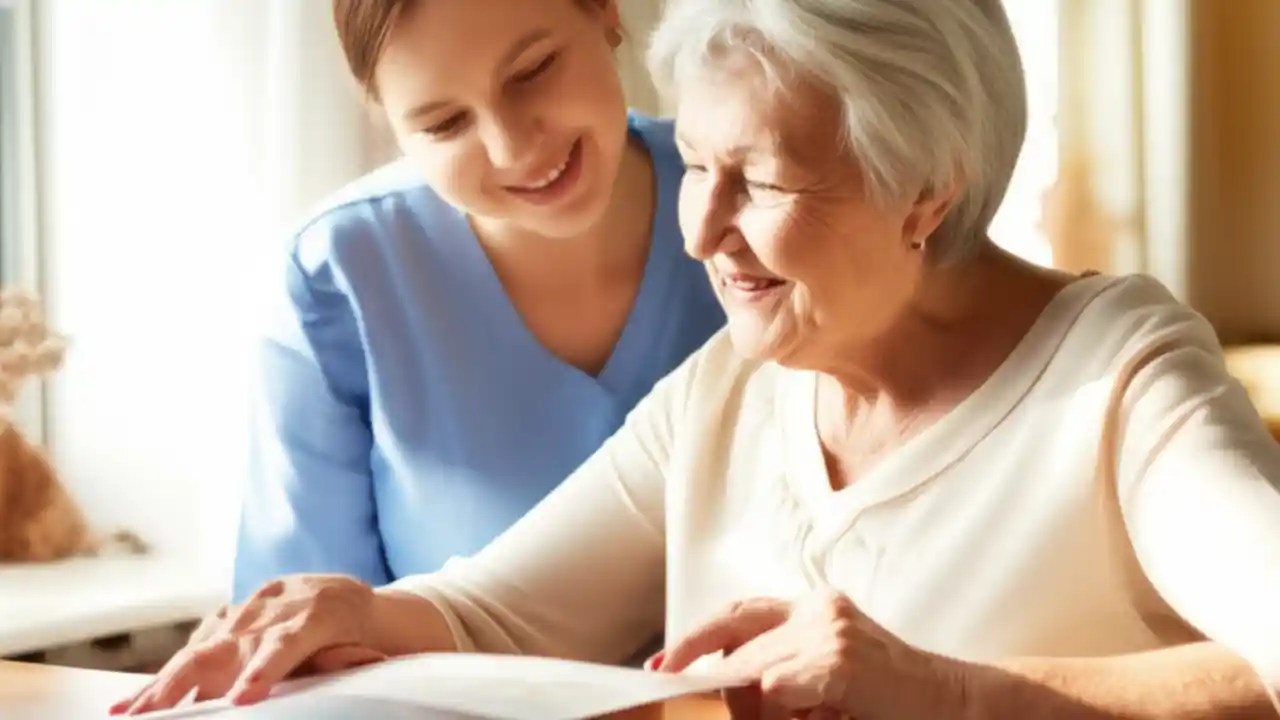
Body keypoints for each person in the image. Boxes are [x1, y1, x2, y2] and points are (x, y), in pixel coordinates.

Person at [119, 0, 1280, 717]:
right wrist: (354, 608)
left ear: (926, 186)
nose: (700, 229)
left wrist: (948, 694)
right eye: (697, 167)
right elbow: (499, 615)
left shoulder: (1119, 379)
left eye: (761, 183)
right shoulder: (732, 385)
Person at [231, 0, 724, 599]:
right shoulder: (337, 279)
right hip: (436, 699)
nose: (512, 148)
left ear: (603, 11)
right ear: (389, 125)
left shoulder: (760, 198)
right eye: (444, 125)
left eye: (532, 71)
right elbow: (301, 640)